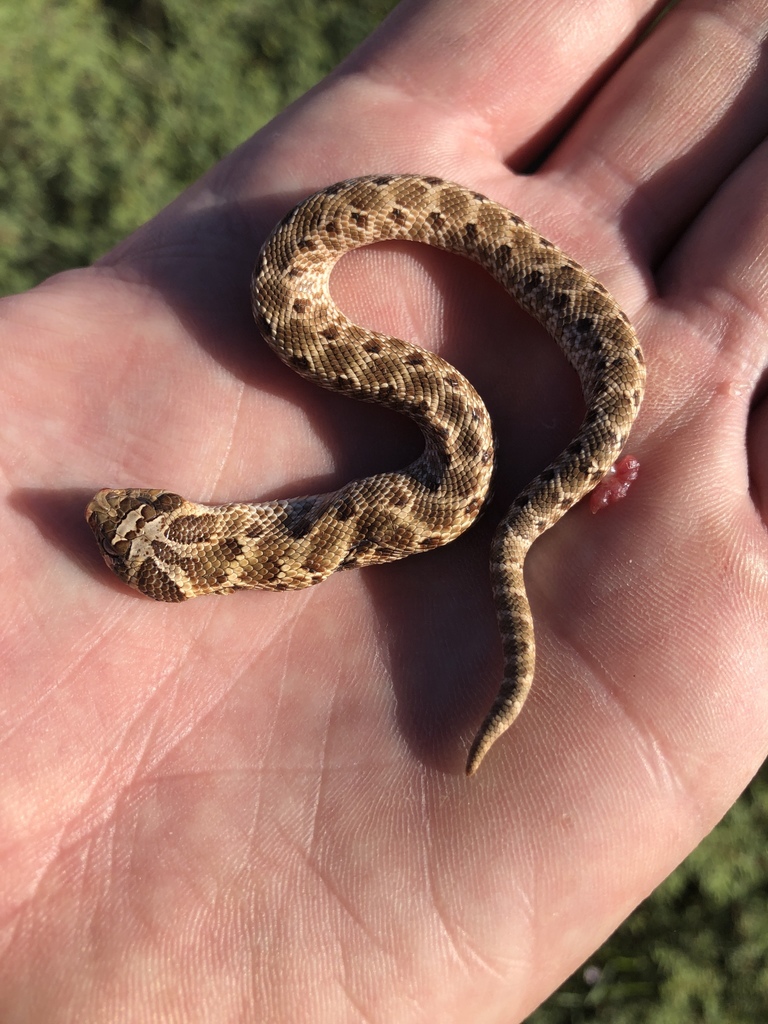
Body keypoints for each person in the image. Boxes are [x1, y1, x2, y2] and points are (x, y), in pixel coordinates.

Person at [2, 0, 767, 1019]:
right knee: (465, 463)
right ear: (189, 538)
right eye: (133, 519)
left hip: (442, 414)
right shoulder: (276, 522)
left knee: (488, 439)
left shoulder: (284, 405)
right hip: (426, 471)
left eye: (141, 510)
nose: (113, 502)